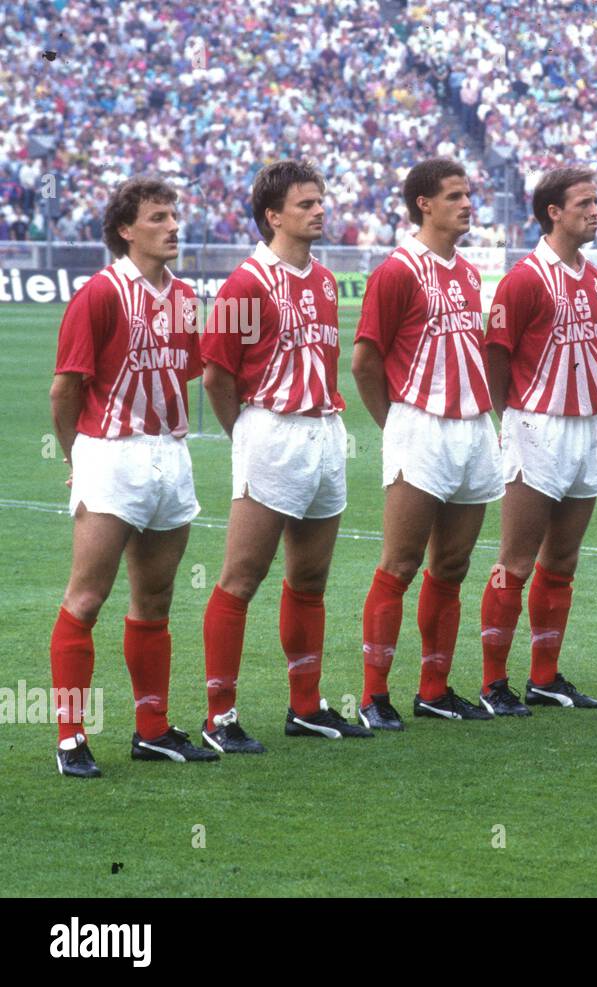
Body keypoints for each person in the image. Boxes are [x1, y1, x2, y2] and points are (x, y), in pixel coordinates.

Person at [200, 159, 372, 749]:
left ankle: (305, 706)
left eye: (320, 200)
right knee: (242, 577)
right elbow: (216, 377)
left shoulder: (324, 279)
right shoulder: (247, 282)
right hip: (271, 429)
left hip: (325, 430)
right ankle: (219, 715)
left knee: (311, 577)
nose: (319, 210)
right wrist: (246, 433)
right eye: (305, 204)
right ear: (273, 216)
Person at [48, 177, 215, 776]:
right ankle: (71, 736)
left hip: (170, 455)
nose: (173, 226)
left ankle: (152, 730)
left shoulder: (186, 297)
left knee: (156, 600)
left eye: (174, 216)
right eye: (158, 218)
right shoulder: (100, 293)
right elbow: (65, 388)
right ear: (126, 230)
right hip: (111, 453)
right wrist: (78, 458)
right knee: (87, 598)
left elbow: (189, 369)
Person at [350, 158, 502, 728]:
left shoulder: (466, 271)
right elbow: (364, 360)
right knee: (400, 563)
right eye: (455, 195)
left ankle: (434, 689)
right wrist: (395, 425)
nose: (467, 204)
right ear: (424, 204)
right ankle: (373, 696)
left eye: (468, 193)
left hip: (473, 427)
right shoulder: (397, 270)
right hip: (421, 425)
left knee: (453, 565)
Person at [478, 167, 597, 715]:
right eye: (584, 202)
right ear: (553, 212)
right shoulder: (525, 278)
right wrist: (510, 419)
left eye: (596, 201)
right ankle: (492, 684)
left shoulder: (593, 275)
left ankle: (545, 676)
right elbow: (496, 353)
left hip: (586, 426)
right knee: (517, 560)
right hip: (537, 425)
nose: (595, 211)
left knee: (563, 561)